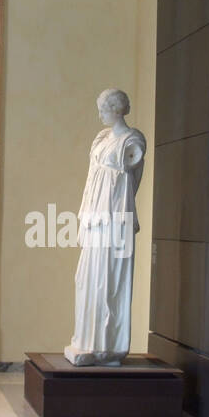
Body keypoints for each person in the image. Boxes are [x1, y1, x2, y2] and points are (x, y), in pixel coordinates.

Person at [64, 88, 147, 367]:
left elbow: (130, 183)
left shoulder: (132, 141)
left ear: (116, 109)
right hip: (94, 219)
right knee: (86, 278)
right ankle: (87, 340)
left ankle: (106, 345)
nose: (99, 114)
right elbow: (91, 181)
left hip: (114, 220)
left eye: (103, 109)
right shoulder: (101, 139)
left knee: (108, 280)